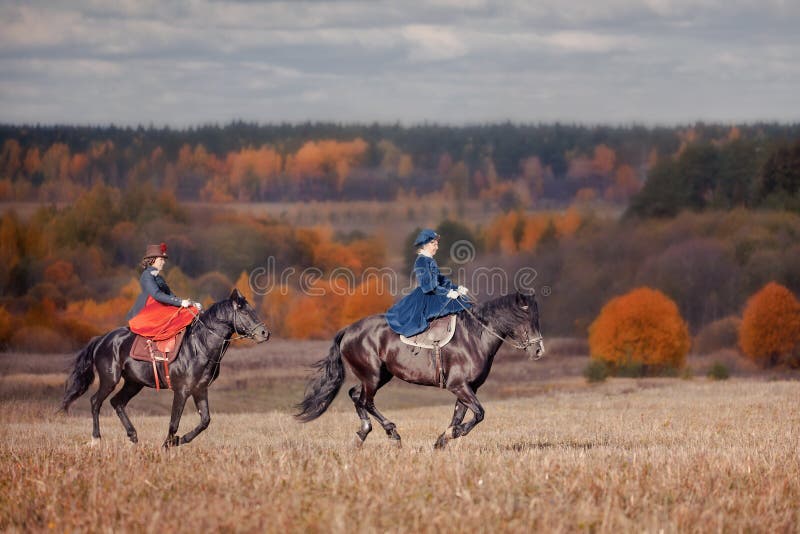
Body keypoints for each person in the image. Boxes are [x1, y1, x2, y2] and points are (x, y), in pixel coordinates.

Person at [385, 229, 471, 337]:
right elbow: (428, 287)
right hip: (427, 296)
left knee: (463, 299)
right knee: (456, 303)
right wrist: (447, 293)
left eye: (437, 244)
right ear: (425, 245)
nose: (437, 247)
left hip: (436, 292)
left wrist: (457, 288)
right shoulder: (421, 261)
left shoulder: (430, 260)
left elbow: (441, 280)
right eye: (434, 244)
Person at [127, 243, 201, 340]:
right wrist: (180, 302)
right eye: (161, 260)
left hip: (159, 305)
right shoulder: (147, 276)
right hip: (149, 309)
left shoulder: (159, 277)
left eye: (163, 260)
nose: (164, 262)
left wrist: (190, 303)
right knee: (181, 316)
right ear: (152, 260)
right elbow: (156, 294)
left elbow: (170, 295)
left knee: (190, 311)